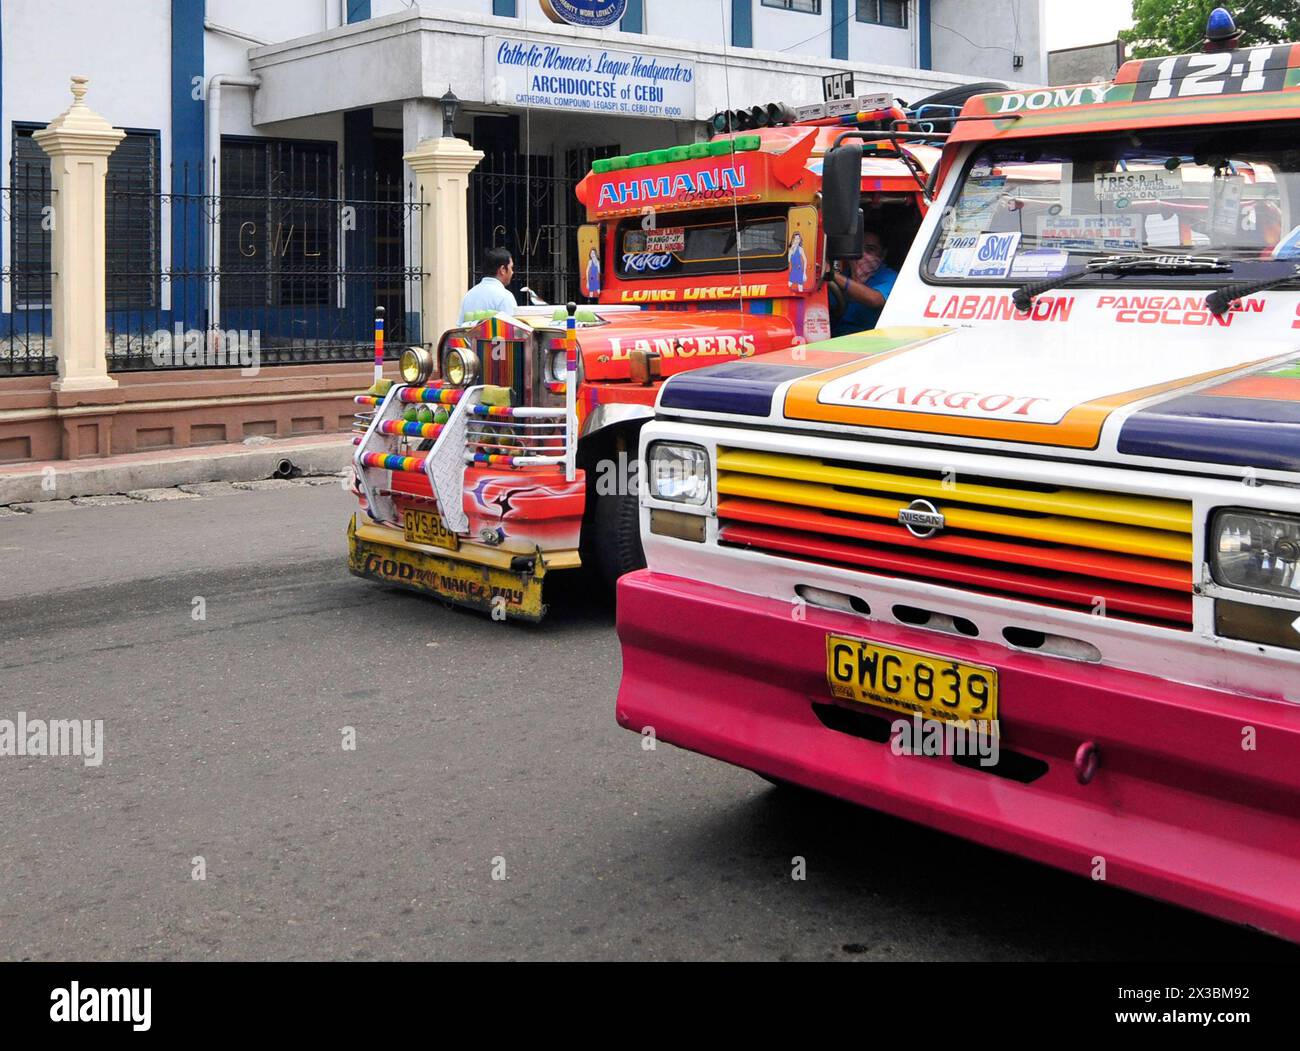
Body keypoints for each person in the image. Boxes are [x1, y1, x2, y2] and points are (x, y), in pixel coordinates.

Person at [828, 230, 897, 337]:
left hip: (868, 342)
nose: (862, 254)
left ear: (883, 254)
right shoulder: (845, 274)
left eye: (870, 249)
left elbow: (875, 300)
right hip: (834, 338)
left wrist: (833, 275)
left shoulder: (890, 277)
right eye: (857, 248)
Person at [458, 247, 517, 323]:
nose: (512, 272)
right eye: (511, 268)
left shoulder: (469, 295)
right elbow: (512, 329)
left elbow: (460, 327)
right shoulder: (505, 296)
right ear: (502, 270)